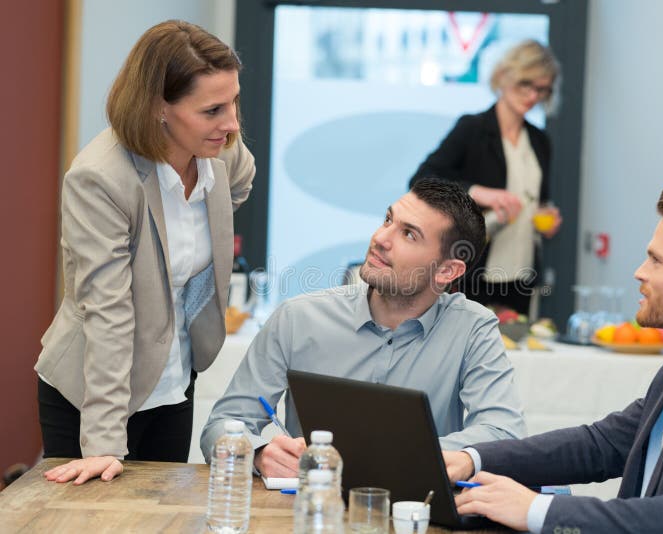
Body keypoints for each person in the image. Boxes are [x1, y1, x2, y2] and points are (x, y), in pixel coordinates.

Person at [445, 183, 663, 533]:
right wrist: (473, 459)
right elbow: (598, 446)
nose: (639, 272)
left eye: (657, 260)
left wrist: (536, 510)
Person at [35, 20, 256, 485]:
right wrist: (104, 447)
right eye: (213, 109)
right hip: (95, 391)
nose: (232, 123)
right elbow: (109, 314)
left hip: (175, 377)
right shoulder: (101, 179)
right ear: (159, 107)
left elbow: (236, 189)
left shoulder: (223, 153)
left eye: (234, 101)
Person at [201, 178, 526, 477]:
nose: (380, 239)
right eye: (388, 220)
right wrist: (257, 454)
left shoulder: (472, 328)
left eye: (409, 234)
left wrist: (391, 456)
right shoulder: (297, 318)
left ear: (446, 271)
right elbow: (223, 425)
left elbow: (503, 432)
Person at [410, 39, 563, 316]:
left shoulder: (540, 141)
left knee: (514, 350)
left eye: (541, 89)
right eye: (525, 84)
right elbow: (421, 180)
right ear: (504, 77)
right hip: (475, 269)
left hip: (521, 272)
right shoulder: (473, 129)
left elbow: (538, 200)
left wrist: (547, 217)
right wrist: (478, 192)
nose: (532, 96)